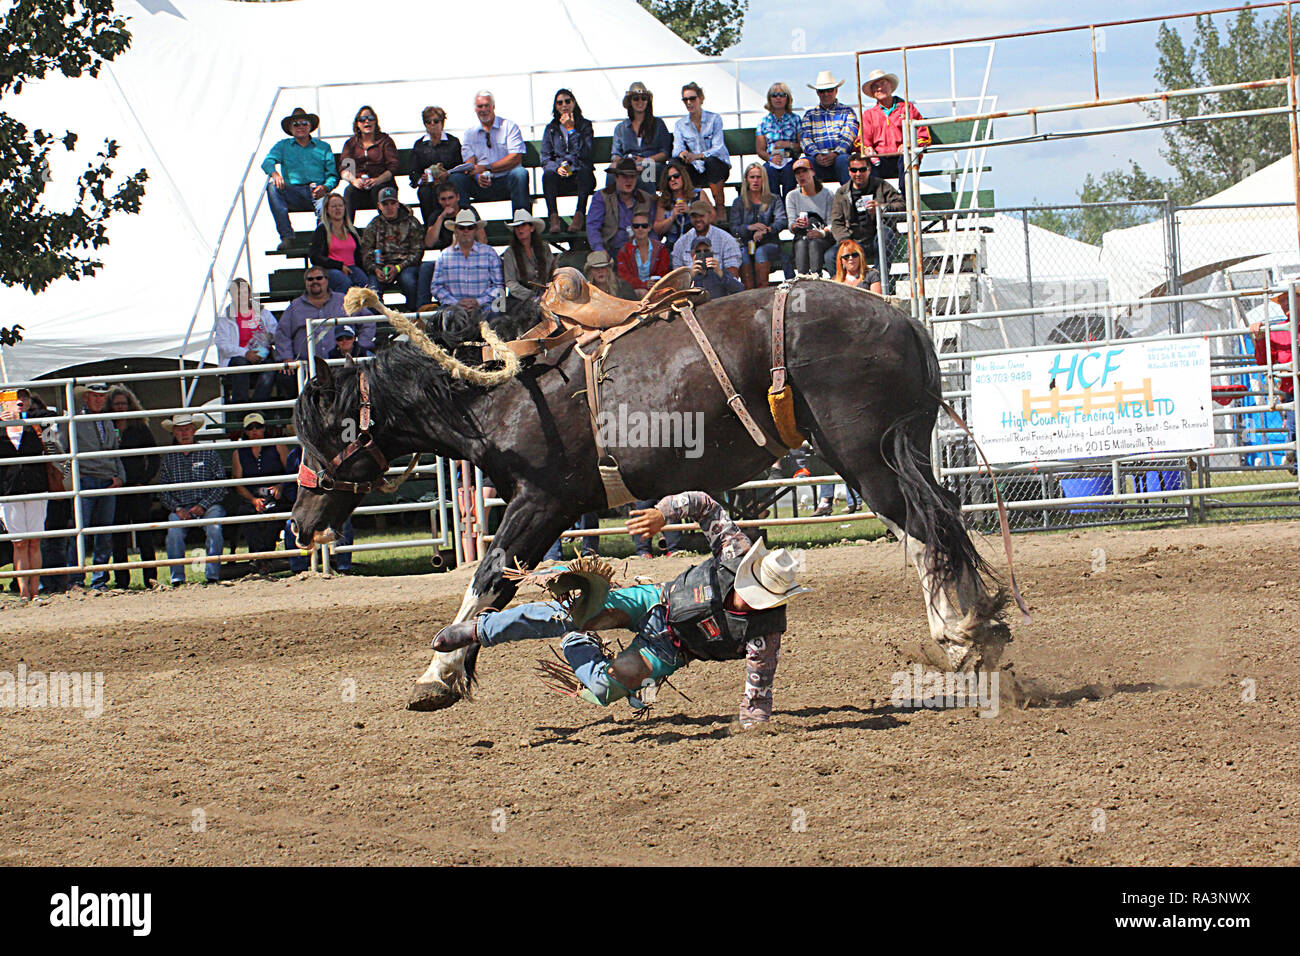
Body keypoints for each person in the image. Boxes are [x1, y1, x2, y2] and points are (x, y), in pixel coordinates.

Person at [432, 491, 811, 728]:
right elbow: (703, 504)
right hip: (657, 598)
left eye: (759, 600)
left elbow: (758, 693)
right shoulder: (734, 550)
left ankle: (576, 640)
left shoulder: (764, 636)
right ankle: (479, 630)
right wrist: (663, 513)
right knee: (570, 608)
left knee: (601, 688)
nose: (749, 601)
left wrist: (754, 726)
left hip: (669, 650)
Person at [158, 415, 226, 587]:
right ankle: (177, 578)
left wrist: (203, 505)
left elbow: (221, 485)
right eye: (180, 430)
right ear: (174, 432)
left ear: (194, 431)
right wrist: (177, 508)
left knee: (214, 527)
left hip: (208, 505)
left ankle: (212, 575)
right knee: (173, 530)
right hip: (181, 508)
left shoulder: (209, 453)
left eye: (187, 429)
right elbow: (163, 491)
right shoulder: (169, 458)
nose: (184, 433)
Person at [70, 383, 124, 591]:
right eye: (95, 396)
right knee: (80, 532)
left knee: (104, 532)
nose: (99, 400)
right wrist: (71, 480)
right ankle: (75, 578)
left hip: (107, 480)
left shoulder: (108, 421)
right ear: (85, 398)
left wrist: (120, 476)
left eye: (102, 396)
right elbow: (63, 452)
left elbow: (115, 451)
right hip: (86, 480)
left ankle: (99, 579)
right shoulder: (74, 422)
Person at [261, 107, 337, 251]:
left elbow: (333, 174)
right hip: (293, 192)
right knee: (272, 188)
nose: (300, 127)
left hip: (317, 190)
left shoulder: (323, 147)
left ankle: (321, 240)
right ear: (290, 128)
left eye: (304, 123)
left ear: (310, 126)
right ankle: (287, 236)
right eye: (296, 124)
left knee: (326, 201)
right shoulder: (282, 145)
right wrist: (275, 174)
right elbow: (267, 161)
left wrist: (325, 187)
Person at [275, 266, 376, 374]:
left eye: (319, 278)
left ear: (327, 280)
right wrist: (287, 358)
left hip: (343, 365)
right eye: (310, 279)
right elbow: (282, 334)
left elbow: (368, 321)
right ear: (305, 282)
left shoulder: (344, 301)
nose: (315, 281)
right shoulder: (294, 307)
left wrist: (361, 346)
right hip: (306, 368)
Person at [108, 385, 160, 590]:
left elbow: (154, 457)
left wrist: (144, 480)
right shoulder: (105, 426)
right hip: (115, 488)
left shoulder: (140, 427)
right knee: (118, 536)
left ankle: (150, 578)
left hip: (137, 488)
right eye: (117, 404)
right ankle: (121, 580)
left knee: (144, 534)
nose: (121, 407)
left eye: (124, 403)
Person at [450, 91, 531, 215]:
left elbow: (516, 157)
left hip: (506, 180)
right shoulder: (469, 133)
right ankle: (467, 223)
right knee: (457, 178)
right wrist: (477, 176)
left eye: (486, 105)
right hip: (481, 183)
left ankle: (522, 221)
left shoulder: (509, 127)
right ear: (475, 109)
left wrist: (487, 167)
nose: (483, 109)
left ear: (493, 106)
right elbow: (469, 163)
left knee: (520, 173)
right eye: (479, 106)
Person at [1, 389, 48, 600]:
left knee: (34, 540)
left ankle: (36, 590)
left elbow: (56, 451)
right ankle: (24, 592)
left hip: (36, 488)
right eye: (14, 398)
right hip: (8, 490)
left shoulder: (37, 424)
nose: (19, 401)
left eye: (24, 397)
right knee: (18, 541)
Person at [858, 68, 930, 202]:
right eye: (875, 86)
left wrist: (908, 144)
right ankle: (875, 206)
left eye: (883, 83)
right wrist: (867, 148)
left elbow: (923, 135)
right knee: (866, 167)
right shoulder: (869, 114)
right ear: (873, 92)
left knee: (907, 159)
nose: (880, 88)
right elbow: (861, 141)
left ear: (891, 85)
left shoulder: (907, 108)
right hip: (880, 160)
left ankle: (906, 202)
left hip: (904, 158)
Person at [231, 413, 289, 575]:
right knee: (246, 514)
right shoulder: (239, 453)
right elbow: (238, 483)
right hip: (251, 498)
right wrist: (253, 500)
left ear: (264, 429)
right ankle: (261, 558)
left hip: (276, 497)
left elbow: (291, 471)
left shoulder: (278, 446)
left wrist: (280, 486)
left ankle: (263, 558)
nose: (255, 431)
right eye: (251, 428)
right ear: (246, 432)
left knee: (275, 514)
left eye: (258, 427)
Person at [829, 154, 904, 280]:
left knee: (886, 233)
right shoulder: (842, 192)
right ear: (849, 171)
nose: (858, 174)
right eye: (854, 170)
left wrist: (880, 208)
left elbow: (901, 205)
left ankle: (879, 280)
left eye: (862, 170)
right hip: (854, 240)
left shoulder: (881, 186)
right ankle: (844, 288)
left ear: (869, 169)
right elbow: (836, 222)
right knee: (830, 255)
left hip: (877, 236)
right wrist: (846, 241)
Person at [416, 183, 485, 309]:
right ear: (438, 201)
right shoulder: (436, 216)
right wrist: (441, 217)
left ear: (458, 197)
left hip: (470, 257)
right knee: (426, 268)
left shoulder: (468, 212)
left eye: (450, 198)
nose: (447, 202)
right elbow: (429, 242)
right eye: (443, 199)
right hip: (447, 261)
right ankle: (423, 310)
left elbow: (482, 240)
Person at [215, 278, 279, 409]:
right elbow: (222, 344)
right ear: (231, 295)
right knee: (241, 364)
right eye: (238, 293)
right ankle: (241, 408)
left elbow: (277, 333)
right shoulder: (225, 318)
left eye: (245, 292)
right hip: (238, 357)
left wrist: (268, 339)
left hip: (263, 354)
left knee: (270, 367)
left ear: (250, 294)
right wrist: (245, 353)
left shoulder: (263, 313)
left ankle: (257, 408)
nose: (242, 296)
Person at [1250, 290, 1298, 462]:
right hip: (1292, 392)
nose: (1285, 303)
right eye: (1282, 300)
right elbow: (1264, 362)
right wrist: (1261, 337)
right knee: (1294, 433)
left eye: (1289, 298)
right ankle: (1295, 464)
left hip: (1292, 389)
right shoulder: (1278, 331)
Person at [540, 89, 595, 235]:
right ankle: (553, 217)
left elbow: (585, 153)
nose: (564, 105)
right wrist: (558, 167)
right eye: (560, 103)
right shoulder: (551, 129)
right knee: (548, 175)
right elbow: (545, 157)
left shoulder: (585, 126)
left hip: (579, 173)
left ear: (574, 103)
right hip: (560, 176)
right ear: (556, 107)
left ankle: (579, 215)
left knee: (585, 173)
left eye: (567, 101)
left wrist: (571, 130)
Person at [673, 82, 730, 220]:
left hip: (715, 164)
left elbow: (718, 147)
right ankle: (686, 209)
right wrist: (683, 153)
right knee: (676, 164)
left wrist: (697, 156)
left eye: (692, 99)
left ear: (701, 99)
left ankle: (720, 206)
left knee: (712, 162)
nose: (689, 103)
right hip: (695, 168)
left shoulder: (714, 119)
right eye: (685, 100)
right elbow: (677, 148)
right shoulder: (680, 124)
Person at [360, 185, 424, 309]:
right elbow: (365, 252)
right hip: (380, 268)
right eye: (385, 204)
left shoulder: (411, 223)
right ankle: (379, 321)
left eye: (392, 203)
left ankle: (412, 315)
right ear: (379, 206)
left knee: (409, 282)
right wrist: (375, 269)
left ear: (397, 204)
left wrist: (398, 268)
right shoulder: (373, 225)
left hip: (404, 266)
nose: (389, 207)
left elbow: (417, 252)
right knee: (372, 292)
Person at [432, 209, 505, 314]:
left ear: (475, 230)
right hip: (453, 310)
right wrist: (455, 302)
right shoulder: (444, 256)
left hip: (484, 309)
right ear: (455, 230)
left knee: (495, 313)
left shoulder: (489, 253)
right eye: (461, 228)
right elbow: (436, 287)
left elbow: (499, 286)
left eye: (470, 228)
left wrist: (479, 302)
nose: (466, 231)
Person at [730, 162, 789, 288]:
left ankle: (763, 289)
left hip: (770, 243)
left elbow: (782, 220)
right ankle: (749, 292)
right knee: (743, 254)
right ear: (746, 180)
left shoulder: (774, 199)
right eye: (752, 177)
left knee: (761, 252)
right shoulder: (739, 202)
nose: (755, 181)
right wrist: (748, 227)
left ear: (764, 179)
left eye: (759, 177)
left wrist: (766, 230)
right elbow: (733, 228)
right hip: (746, 243)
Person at [587, 157, 656, 261]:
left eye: (632, 176)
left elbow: (653, 231)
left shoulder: (647, 199)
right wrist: (599, 249)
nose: (629, 181)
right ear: (616, 177)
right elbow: (593, 226)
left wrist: (652, 250)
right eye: (624, 176)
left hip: (640, 252)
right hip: (611, 251)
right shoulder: (601, 197)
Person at [339, 105, 399, 224]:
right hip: (360, 186)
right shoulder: (351, 144)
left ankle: (386, 228)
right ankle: (347, 231)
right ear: (357, 124)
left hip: (382, 183)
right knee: (349, 192)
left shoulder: (384, 141)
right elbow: (345, 167)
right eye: (362, 119)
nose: (367, 121)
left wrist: (378, 180)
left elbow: (393, 166)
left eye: (370, 118)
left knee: (379, 191)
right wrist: (354, 180)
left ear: (375, 122)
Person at [800, 70, 858, 186]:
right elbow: (804, 139)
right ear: (817, 93)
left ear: (836, 91)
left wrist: (835, 154)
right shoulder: (809, 115)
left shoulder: (847, 111)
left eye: (830, 90)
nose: (826, 94)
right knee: (805, 164)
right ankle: (809, 201)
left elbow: (849, 136)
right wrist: (816, 155)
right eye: (822, 91)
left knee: (844, 160)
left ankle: (850, 199)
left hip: (839, 158)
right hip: (817, 159)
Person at [610, 81, 672, 191]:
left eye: (643, 98)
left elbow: (665, 153)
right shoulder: (621, 128)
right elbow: (616, 154)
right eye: (635, 98)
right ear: (630, 102)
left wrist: (645, 160)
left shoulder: (658, 124)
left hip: (653, 165)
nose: (640, 101)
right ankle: (611, 206)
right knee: (612, 172)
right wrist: (623, 163)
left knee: (647, 169)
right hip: (628, 166)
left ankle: (648, 205)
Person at [408, 106, 463, 227]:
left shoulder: (453, 142)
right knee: (424, 192)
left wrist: (448, 174)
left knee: (450, 191)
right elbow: (413, 171)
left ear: (442, 122)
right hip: (429, 185)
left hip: (449, 182)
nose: (432, 124)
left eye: (436, 121)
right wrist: (421, 179)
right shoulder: (419, 145)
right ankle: (430, 227)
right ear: (425, 124)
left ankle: (458, 224)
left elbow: (461, 166)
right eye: (428, 121)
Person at [310, 193, 369, 294]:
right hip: (330, 269)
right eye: (333, 206)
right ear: (327, 210)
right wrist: (339, 266)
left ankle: (366, 309)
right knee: (344, 282)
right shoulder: (322, 230)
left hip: (352, 267)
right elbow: (315, 256)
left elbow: (359, 256)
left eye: (340, 206)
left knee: (365, 283)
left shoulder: (352, 231)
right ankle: (338, 309)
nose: (337, 209)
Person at [785, 158, 834, 276]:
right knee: (802, 243)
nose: (801, 176)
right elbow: (791, 224)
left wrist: (822, 233)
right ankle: (802, 277)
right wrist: (795, 225)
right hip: (802, 236)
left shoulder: (828, 194)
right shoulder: (792, 196)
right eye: (798, 173)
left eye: (804, 171)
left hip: (823, 236)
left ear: (812, 172)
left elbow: (832, 223)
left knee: (814, 243)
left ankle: (816, 276)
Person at [670, 199, 742, 277]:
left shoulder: (726, 239)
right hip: (691, 286)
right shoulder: (681, 243)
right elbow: (676, 275)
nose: (698, 219)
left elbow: (733, 274)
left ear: (710, 216)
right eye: (694, 216)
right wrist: (691, 274)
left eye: (701, 216)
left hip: (719, 285)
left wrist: (718, 272)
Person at [652, 157, 712, 249]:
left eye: (676, 176)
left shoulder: (699, 194)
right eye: (669, 178)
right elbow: (657, 228)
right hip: (673, 246)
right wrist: (672, 217)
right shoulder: (664, 200)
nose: (672, 179)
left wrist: (692, 212)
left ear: (683, 177)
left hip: (698, 245)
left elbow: (712, 217)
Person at [755, 82, 801, 201]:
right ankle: (776, 208)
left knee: (790, 171)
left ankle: (789, 207)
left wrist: (788, 144)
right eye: (774, 95)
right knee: (767, 171)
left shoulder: (795, 119)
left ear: (788, 98)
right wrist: (770, 158)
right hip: (772, 159)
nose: (778, 98)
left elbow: (801, 146)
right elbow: (760, 150)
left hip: (790, 158)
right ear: (770, 99)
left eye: (782, 95)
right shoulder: (764, 122)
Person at [500, 211, 553, 312]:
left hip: (546, 295)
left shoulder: (544, 248)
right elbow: (511, 282)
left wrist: (546, 295)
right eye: (517, 227)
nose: (520, 229)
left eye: (523, 225)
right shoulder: (510, 253)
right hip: (520, 299)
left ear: (532, 228)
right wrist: (532, 296)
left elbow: (552, 272)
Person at [616, 211, 671, 292]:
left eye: (644, 226)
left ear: (649, 228)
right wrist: (643, 284)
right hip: (632, 291)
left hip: (657, 289)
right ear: (632, 228)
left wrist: (653, 285)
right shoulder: (624, 250)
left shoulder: (660, 248)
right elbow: (624, 276)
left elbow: (664, 272)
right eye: (636, 226)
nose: (640, 229)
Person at [688, 237, 743, 301]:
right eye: (698, 252)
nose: (702, 254)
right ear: (692, 255)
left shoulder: (720, 272)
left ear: (712, 254)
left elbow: (740, 289)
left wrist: (721, 274)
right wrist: (690, 278)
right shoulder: (688, 276)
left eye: (706, 251)